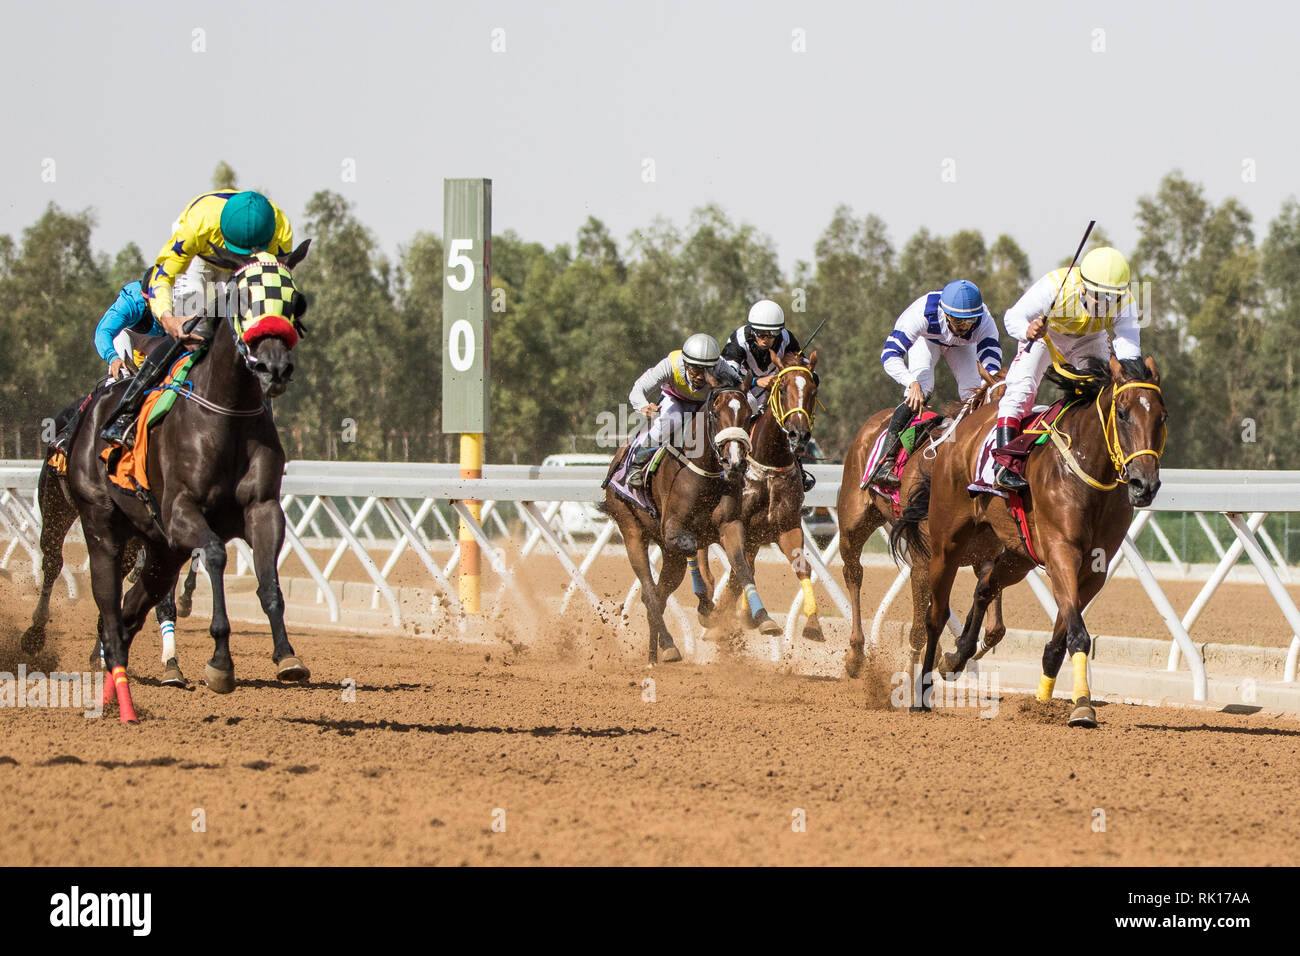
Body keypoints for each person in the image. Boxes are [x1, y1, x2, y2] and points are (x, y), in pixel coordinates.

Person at [100, 190, 294, 447]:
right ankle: (126, 411)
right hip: (203, 256)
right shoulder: (195, 227)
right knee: (196, 330)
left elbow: (275, 286)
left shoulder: (281, 233)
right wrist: (169, 319)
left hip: (252, 265)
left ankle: (263, 420)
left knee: (253, 328)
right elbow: (162, 278)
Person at [993, 246, 1138, 492]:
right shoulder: (1054, 285)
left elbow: (1129, 345)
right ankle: (1005, 465)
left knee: (1103, 393)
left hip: (1089, 339)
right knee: (1022, 387)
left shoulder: (1127, 302)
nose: (1106, 304)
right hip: (1047, 335)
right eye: (1099, 296)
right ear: (1083, 287)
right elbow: (1013, 317)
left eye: (1113, 298)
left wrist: (1129, 376)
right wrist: (1027, 331)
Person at [869, 279, 1002, 487]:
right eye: (958, 322)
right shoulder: (922, 313)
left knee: (973, 393)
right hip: (927, 339)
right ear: (945, 313)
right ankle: (885, 461)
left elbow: (991, 354)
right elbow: (889, 355)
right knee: (923, 387)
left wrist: (992, 376)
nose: (963, 328)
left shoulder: (984, 319)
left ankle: (982, 458)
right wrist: (911, 382)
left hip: (963, 347)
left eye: (968, 322)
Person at [721, 299, 816, 492]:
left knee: (789, 413)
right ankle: (727, 465)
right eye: (761, 334)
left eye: (772, 334)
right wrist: (757, 382)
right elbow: (727, 375)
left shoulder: (787, 338)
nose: (766, 339)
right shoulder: (738, 340)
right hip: (741, 392)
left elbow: (803, 366)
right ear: (752, 329)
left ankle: (797, 465)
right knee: (744, 409)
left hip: (774, 392)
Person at [625, 333, 735, 488]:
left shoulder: (721, 366)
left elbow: (743, 393)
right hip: (676, 400)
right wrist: (643, 406)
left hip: (705, 404)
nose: (700, 377)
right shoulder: (670, 364)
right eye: (695, 369)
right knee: (670, 421)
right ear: (685, 363)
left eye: (707, 370)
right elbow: (639, 388)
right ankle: (636, 467)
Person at [93, 277, 166, 382]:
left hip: (158, 337)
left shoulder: (183, 298)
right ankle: (113, 385)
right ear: (146, 299)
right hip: (127, 334)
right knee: (123, 373)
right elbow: (103, 332)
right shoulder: (129, 303)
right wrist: (112, 357)